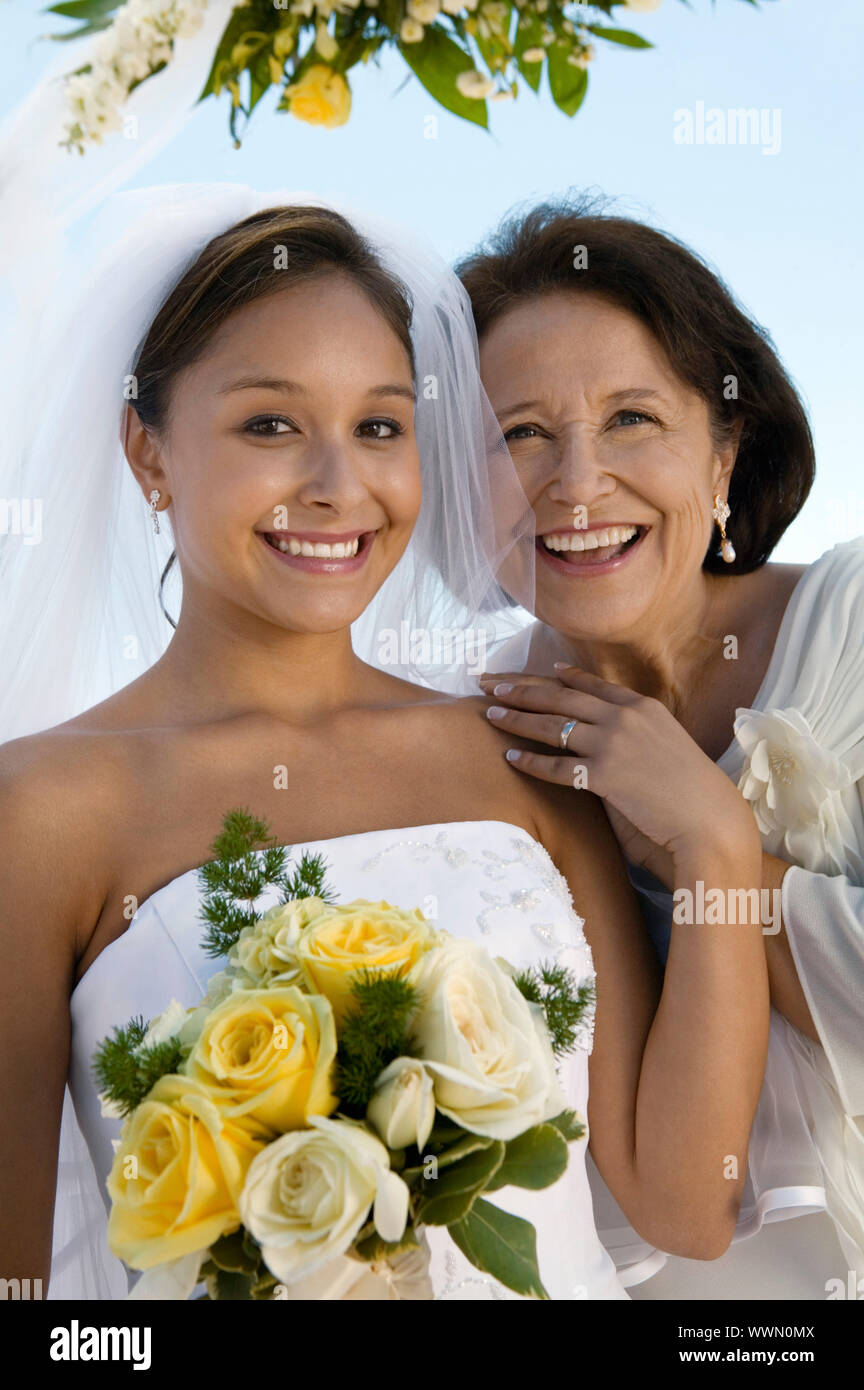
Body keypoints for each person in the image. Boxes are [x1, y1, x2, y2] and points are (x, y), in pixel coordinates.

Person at [0, 187, 770, 1301]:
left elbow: (685, 1204)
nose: (337, 485)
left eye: (379, 426)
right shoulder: (41, 810)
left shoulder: (523, 748)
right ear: (148, 450)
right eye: (269, 424)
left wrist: (718, 847)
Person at [456, 194, 864, 1297]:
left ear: (726, 452)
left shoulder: (857, 625)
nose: (578, 484)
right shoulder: (460, 745)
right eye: (520, 434)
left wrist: (707, 842)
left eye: (633, 418)